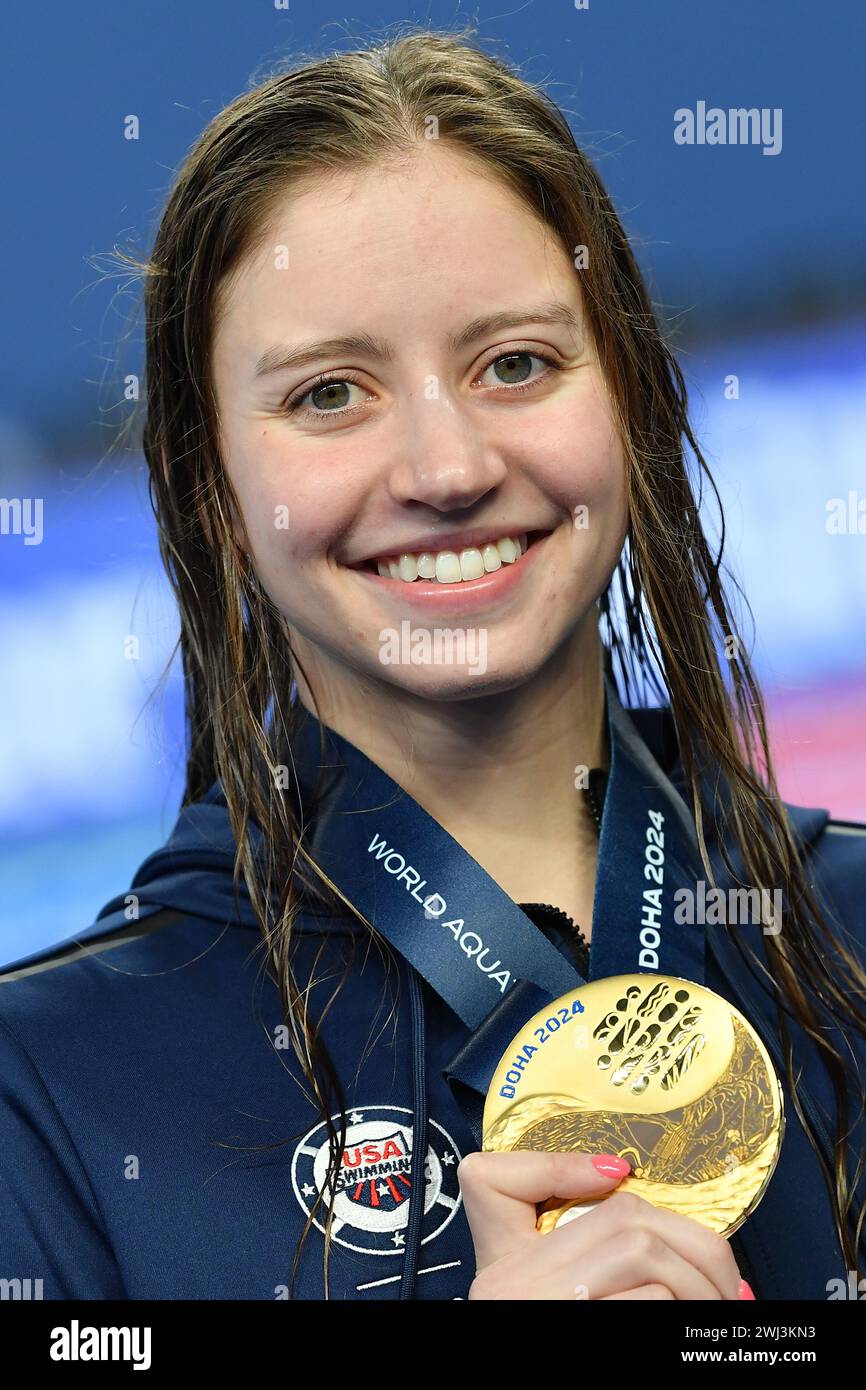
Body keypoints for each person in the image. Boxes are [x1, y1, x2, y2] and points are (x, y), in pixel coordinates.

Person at [1, 27, 865, 1303]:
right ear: (210, 489)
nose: (447, 468)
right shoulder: (50, 1094)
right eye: (329, 394)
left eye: (513, 363)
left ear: (627, 395)